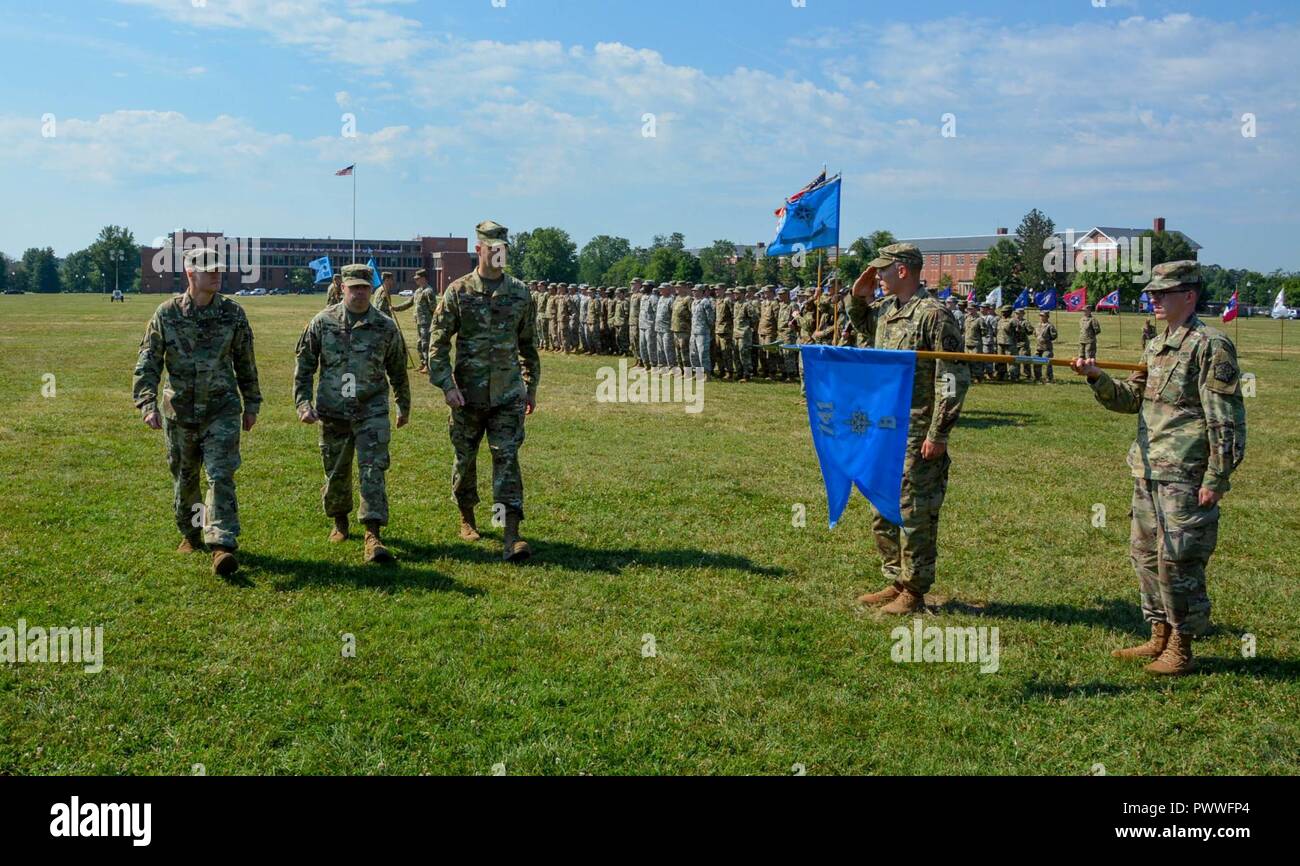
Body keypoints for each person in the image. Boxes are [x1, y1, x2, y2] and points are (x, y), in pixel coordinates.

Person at [1070, 261, 1246, 675]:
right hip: (1148, 467)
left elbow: (1225, 417)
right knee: (1145, 554)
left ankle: (1182, 645)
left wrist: (1218, 475)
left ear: (1189, 295)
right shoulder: (1155, 344)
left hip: (1185, 471)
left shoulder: (1211, 345)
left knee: (1178, 558)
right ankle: (1159, 634)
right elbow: (1131, 400)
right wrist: (1096, 378)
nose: (1153, 300)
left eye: (1162, 293)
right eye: (1151, 294)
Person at [847, 244, 969, 615]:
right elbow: (860, 323)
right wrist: (858, 293)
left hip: (917, 428)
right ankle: (896, 579)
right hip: (885, 425)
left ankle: (915, 590)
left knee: (914, 509)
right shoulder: (886, 310)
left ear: (902, 271)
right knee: (882, 505)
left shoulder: (934, 314)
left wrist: (939, 432)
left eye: (883, 270)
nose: (877, 277)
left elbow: (952, 377)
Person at [133, 246, 261, 577]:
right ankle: (191, 533)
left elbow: (245, 362)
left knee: (220, 475)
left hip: (222, 409)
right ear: (191, 274)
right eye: (210, 270)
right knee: (186, 479)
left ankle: (221, 544)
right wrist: (147, 403)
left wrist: (252, 403)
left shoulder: (233, 314)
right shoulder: (167, 314)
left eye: (220, 269)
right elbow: (148, 361)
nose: (217, 274)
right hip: (180, 413)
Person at [427, 221, 540, 562]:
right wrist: (447, 385)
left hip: (507, 396)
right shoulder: (459, 292)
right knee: (466, 459)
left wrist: (530, 387)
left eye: (503, 249)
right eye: (492, 249)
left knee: (506, 460)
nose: (498, 254)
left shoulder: (520, 293)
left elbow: (528, 345)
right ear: (479, 250)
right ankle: (467, 516)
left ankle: (510, 533)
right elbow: (437, 344)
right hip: (467, 398)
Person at [294, 263, 410, 563]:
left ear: (371, 290)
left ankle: (373, 533)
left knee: (373, 470)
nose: (359, 293)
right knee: (336, 472)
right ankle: (340, 521)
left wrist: (403, 404)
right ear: (341, 288)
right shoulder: (322, 322)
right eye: (353, 287)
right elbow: (305, 366)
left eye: (364, 288)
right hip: (332, 412)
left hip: (371, 409)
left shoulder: (384, 326)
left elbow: (398, 369)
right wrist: (303, 403)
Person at [413, 269, 436, 374]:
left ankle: (428, 365)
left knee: (425, 344)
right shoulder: (418, 291)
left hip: (426, 322)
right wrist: (395, 308)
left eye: (418, 279)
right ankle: (422, 362)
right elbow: (409, 303)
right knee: (419, 344)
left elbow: (434, 308)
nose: (416, 281)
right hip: (419, 322)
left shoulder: (428, 291)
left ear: (423, 278)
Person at [1032, 310, 1058, 383]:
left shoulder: (1050, 326)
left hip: (1047, 348)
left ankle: (1049, 379)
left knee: (1047, 362)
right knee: (1036, 361)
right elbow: (1035, 333)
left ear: (1047, 317)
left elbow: (1054, 335)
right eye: (1040, 316)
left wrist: (1046, 339)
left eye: (1043, 316)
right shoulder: (1037, 325)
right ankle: (1037, 378)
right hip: (1038, 348)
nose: (1041, 317)